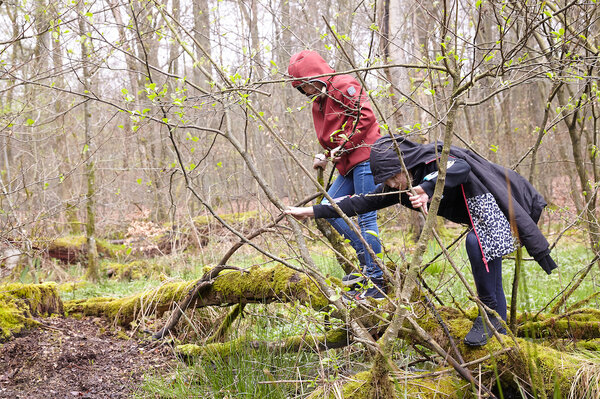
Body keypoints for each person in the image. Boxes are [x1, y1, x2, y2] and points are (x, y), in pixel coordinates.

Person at [286, 135, 558, 346]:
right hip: (485, 212)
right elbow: (361, 202)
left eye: (394, 177)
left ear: (403, 163)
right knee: (482, 247)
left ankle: (489, 316)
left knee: (477, 244)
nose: (393, 185)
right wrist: (311, 211)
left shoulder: (434, 158)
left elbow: (457, 167)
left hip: (509, 200)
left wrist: (427, 189)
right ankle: (497, 320)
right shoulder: (400, 187)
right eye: (388, 181)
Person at [288, 50, 385, 299]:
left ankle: (376, 280)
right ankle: (368, 264)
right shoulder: (317, 103)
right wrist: (326, 154)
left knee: (365, 217)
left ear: (318, 75)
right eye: (303, 87)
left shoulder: (343, 85)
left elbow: (365, 116)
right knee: (328, 209)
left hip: (365, 157)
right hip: (346, 163)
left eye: (308, 84)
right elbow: (331, 135)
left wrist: (343, 145)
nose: (307, 90)